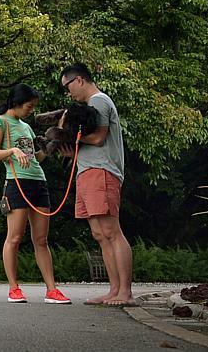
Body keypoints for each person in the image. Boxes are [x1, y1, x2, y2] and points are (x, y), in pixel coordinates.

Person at [0, 83, 71, 305]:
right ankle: (14, 288)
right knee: (14, 238)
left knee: (41, 239)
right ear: (16, 103)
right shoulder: (0, 122)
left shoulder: (26, 127)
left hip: (38, 182)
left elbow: (36, 157)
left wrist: (52, 146)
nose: (31, 110)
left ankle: (52, 290)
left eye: (33, 106)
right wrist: (13, 150)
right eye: (29, 106)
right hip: (16, 182)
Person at [61, 63, 134, 306]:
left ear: (79, 80)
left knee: (112, 231)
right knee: (100, 234)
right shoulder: (91, 105)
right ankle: (113, 290)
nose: (69, 92)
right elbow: (87, 143)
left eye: (68, 86)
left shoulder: (99, 101)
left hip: (102, 170)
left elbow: (99, 137)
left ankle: (125, 292)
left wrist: (67, 135)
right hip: (87, 170)